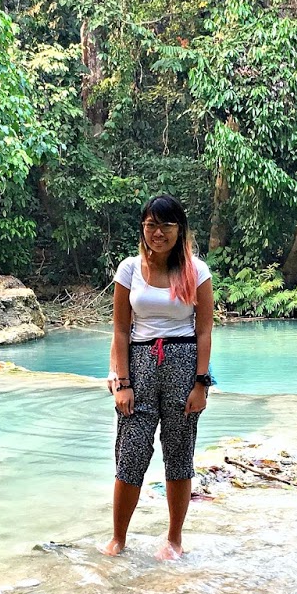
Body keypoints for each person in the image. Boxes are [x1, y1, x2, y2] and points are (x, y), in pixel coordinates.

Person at [102, 194, 215, 561]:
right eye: (151, 224)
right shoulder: (129, 269)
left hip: (183, 363)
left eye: (166, 225)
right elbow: (120, 330)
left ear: (179, 229)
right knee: (130, 454)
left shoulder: (197, 271)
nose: (158, 232)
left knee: (179, 453)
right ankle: (118, 538)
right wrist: (121, 380)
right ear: (143, 228)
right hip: (139, 363)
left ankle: (174, 539)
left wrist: (201, 383)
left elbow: (204, 332)